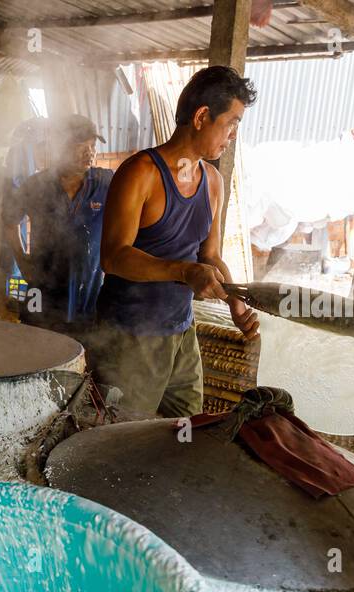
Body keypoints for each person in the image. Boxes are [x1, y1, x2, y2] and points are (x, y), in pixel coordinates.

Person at [95, 66, 261, 419]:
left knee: (185, 429)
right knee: (119, 439)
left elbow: (210, 255)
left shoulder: (212, 181)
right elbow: (113, 257)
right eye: (231, 123)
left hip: (182, 333)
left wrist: (234, 299)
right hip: (129, 335)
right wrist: (184, 272)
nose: (232, 135)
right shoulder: (140, 172)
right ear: (202, 116)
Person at [3, 115, 113, 325]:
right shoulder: (36, 185)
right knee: (39, 348)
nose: (89, 152)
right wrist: (23, 262)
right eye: (81, 146)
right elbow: (9, 221)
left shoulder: (105, 182)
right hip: (43, 290)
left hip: (88, 290)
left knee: (83, 349)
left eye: (92, 145)